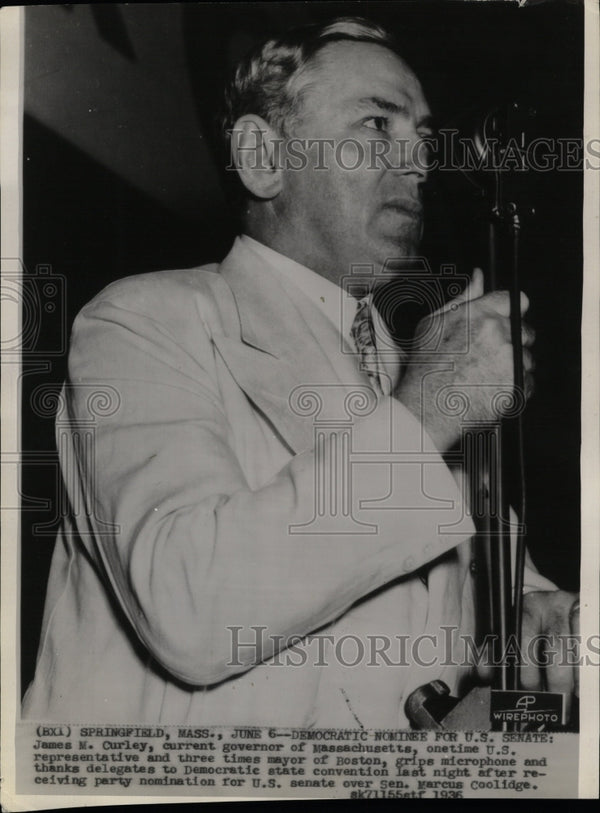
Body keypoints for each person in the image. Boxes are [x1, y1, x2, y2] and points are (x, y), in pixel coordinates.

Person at [23, 17, 577, 727]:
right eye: (377, 123)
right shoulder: (143, 320)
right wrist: (428, 412)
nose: (420, 162)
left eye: (423, 136)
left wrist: (534, 612)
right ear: (262, 157)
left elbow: (492, 607)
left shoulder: (425, 374)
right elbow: (189, 605)